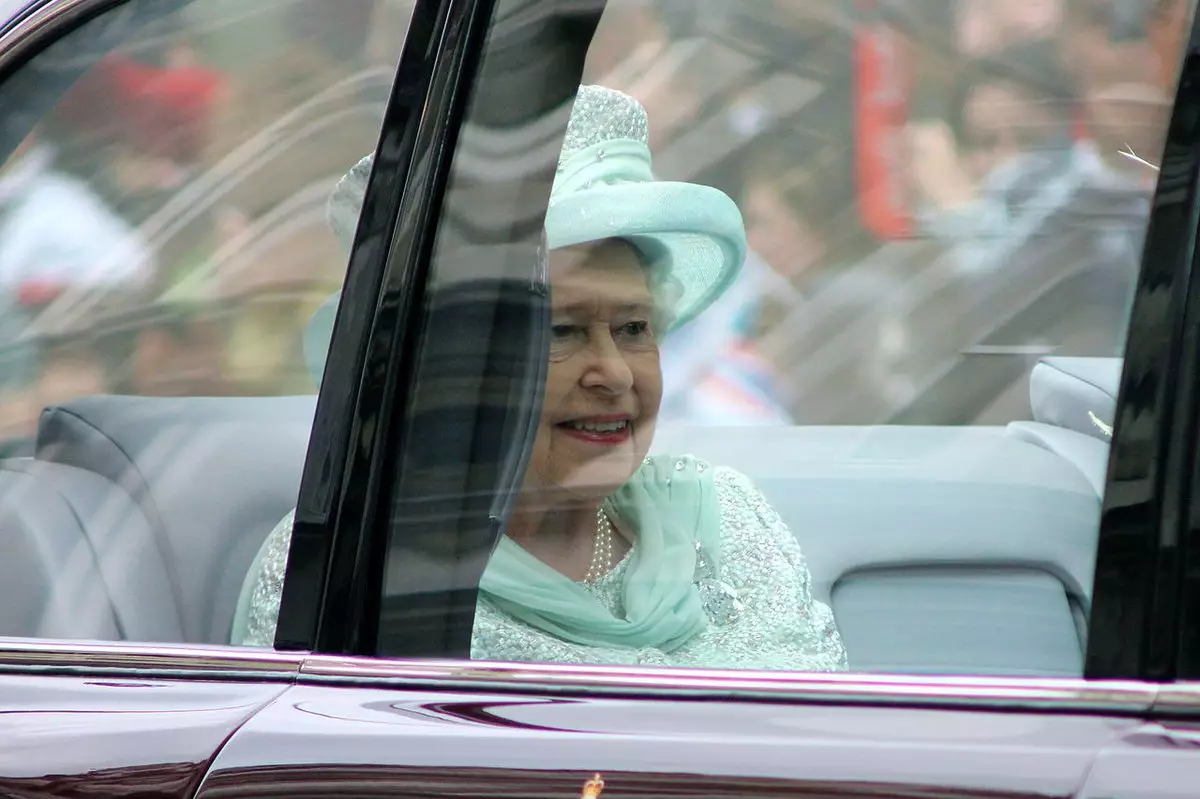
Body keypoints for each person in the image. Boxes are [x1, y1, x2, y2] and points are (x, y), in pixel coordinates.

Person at [232, 85, 847, 672]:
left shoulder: (723, 517)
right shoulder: (355, 562)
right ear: (450, 365)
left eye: (634, 329)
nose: (612, 372)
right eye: (561, 332)